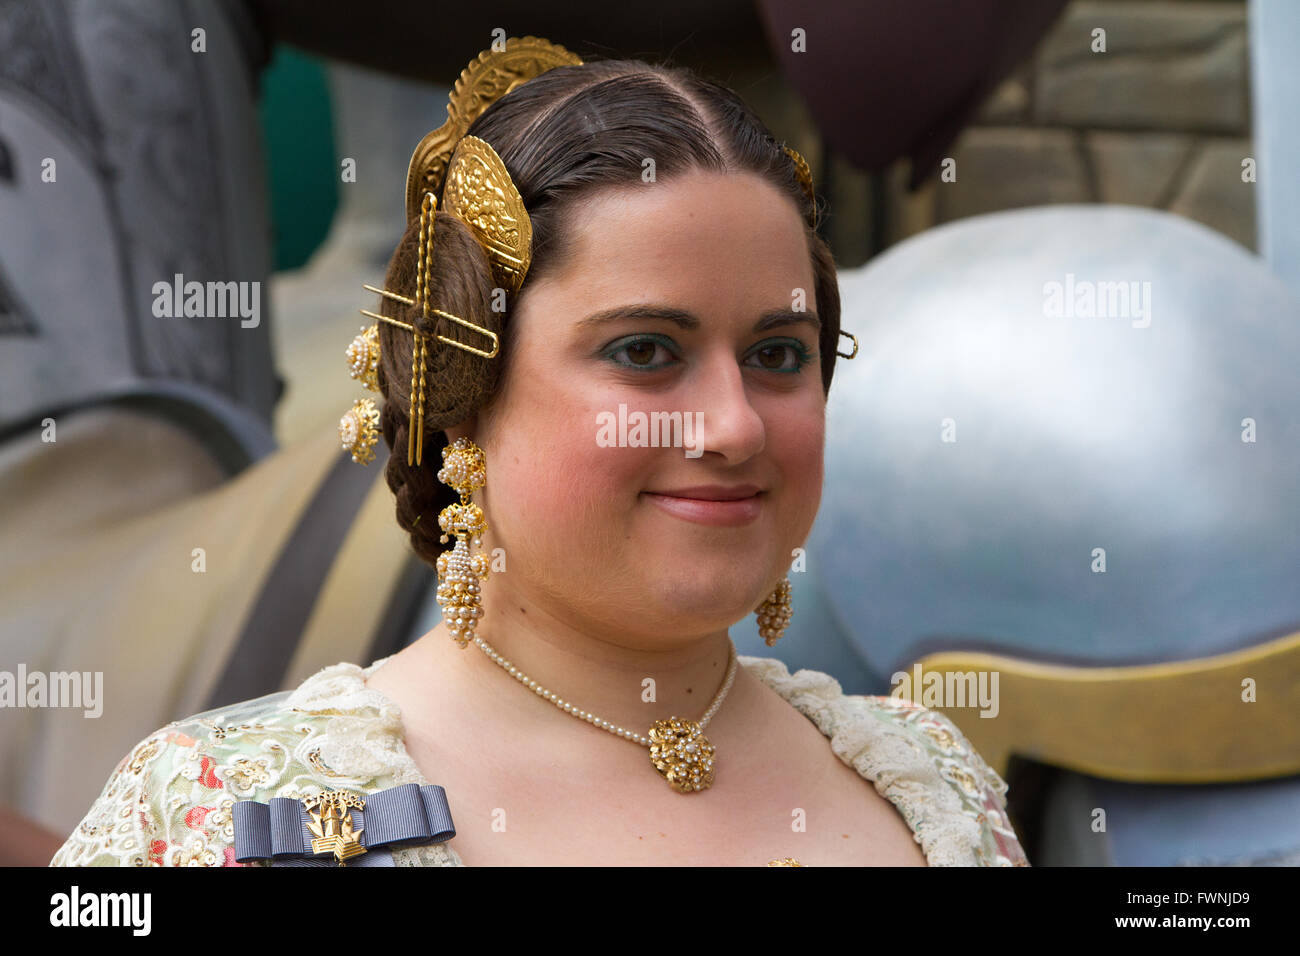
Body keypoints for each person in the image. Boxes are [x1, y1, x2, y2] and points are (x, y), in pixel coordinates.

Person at [50, 37, 1028, 867]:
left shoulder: (932, 794)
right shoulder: (228, 815)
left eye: (778, 353)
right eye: (646, 352)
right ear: (462, 391)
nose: (732, 426)